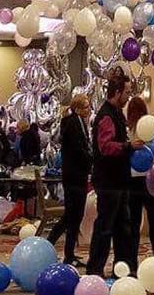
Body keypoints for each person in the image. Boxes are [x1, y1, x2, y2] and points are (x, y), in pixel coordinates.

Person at [86, 70, 146, 278]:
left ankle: (124, 269)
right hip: (109, 181)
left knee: (123, 228)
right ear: (117, 92)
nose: (129, 96)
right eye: (127, 92)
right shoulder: (106, 116)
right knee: (105, 227)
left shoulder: (117, 113)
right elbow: (105, 147)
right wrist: (129, 146)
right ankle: (94, 268)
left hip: (120, 180)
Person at [47, 94, 92, 267]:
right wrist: (92, 160)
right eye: (86, 107)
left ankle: (68, 252)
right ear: (78, 108)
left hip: (77, 174)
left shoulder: (78, 122)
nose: (89, 110)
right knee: (72, 215)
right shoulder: (73, 123)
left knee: (73, 216)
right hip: (74, 175)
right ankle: (53, 244)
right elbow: (79, 150)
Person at [126, 95, 154, 269]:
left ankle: (132, 263)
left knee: (133, 225)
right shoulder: (152, 129)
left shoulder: (127, 131)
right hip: (151, 179)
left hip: (132, 180)